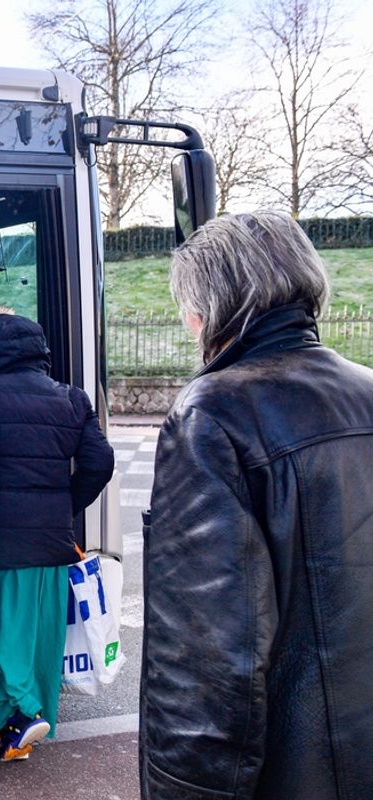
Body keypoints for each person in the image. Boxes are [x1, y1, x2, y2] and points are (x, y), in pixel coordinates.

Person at [142, 211, 373, 799]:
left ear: (210, 308)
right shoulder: (367, 389)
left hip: (294, 769)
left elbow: (208, 662)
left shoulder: (214, 413)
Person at [0, 307, 114, 761]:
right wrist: (63, 505)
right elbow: (99, 464)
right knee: (37, 638)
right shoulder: (71, 398)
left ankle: (19, 716)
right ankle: (21, 726)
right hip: (48, 545)